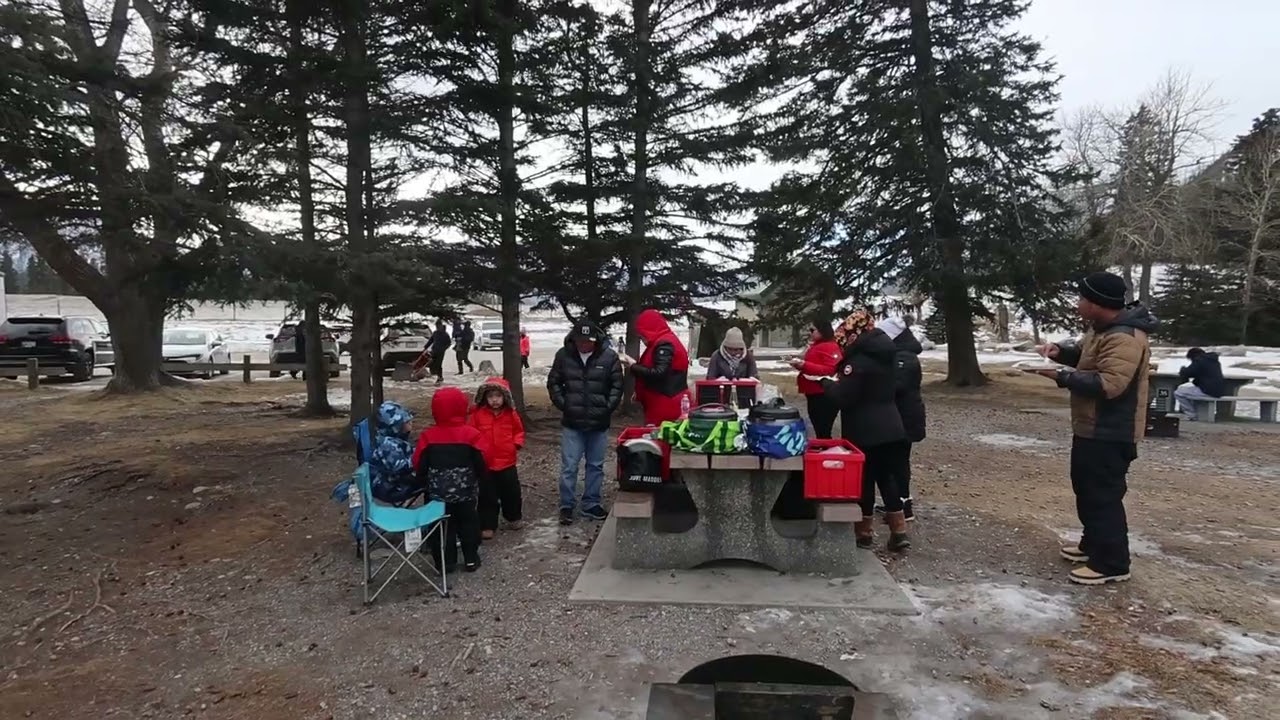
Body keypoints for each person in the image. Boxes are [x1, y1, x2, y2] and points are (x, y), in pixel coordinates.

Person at [1033, 271, 1157, 586]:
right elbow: (1090, 361)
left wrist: (1060, 376)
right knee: (1086, 489)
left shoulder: (1124, 336)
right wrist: (1062, 354)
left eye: (1083, 299)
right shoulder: (1102, 331)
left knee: (1103, 495)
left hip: (1111, 431)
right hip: (1092, 428)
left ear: (1098, 303)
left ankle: (1112, 562)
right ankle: (1093, 544)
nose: (1078, 305)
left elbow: (1109, 384)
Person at [820, 310, 910, 551]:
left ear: (853, 336)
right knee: (888, 477)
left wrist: (826, 384)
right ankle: (899, 532)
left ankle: (864, 533)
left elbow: (844, 397)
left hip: (865, 430)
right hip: (892, 426)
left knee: (865, 482)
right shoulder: (886, 355)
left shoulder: (857, 362)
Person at [547, 320, 624, 525]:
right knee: (569, 466)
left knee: (596, 465)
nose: (584, 345)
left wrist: (607, 407)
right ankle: (567, 505)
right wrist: (565, 404)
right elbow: (553, 382)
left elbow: (617, 386)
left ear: (595, 340)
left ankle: (591, 503)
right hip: (572, 422)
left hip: (599, 422)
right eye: (581, 341)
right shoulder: (563, 356)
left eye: (588, 341)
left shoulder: (609, 357)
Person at [413, 386, 486, 572]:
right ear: (462, 407)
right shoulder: (471, 434)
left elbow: (418, 464)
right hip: (466, 492)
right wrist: (479, 478)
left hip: (437, 494)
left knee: (441, 528)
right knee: (468, 523)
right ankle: (470, 558)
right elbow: (483, 460)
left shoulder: (428, 437)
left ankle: (445, 563)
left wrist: (423, 482)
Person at [879, 316, 926, 522]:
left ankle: (903, 504)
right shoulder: (900, 355)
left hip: (904, 417)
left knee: (898, 461)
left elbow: (897, 386)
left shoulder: (904, 358)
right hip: (900, 415)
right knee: (894, 460)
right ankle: (897, 502)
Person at [469, 377, 525, 539]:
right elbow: (472, 433)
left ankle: (514, 517)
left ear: (505, 397)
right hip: (486, 463)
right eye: (491, 396)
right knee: (487, 496)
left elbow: (519, 431)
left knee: (512, 493)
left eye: (498, 396)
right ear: (485, 398)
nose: (494, 400)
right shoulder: (478, 415)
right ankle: (487, 524)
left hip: (507, 461)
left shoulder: (511, 414)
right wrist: (476, 451)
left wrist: (516, 444)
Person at [626, 309, 691, 425]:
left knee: (660, 437)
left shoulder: (664, 344)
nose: (643, 340)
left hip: (665, 403)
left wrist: (633, 366)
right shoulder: (663, 341)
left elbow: (659, 373)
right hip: (664, 400)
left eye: (642, 336)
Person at [788, 320, 843, 439]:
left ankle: (826, 452)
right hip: (814, 392)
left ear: (823, 331)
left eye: (813, 330)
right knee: (819, 428)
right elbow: (813, 366)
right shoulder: (817, 345)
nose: (810, 333)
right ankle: (823, 450)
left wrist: (804, 365)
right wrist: (800, 365)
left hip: (823, 394)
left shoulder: (830, 346)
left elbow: (830, 369)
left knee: (823, 429)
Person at [1174, 347, 1225, 421]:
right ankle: (1193, 413)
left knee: (1178, 393)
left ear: (1192, 356)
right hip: (1218, 390)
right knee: (1188, 390)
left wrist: (1183, 369)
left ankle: (1191, 414)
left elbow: (1189, 372)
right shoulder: (1213, 361)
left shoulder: (1199, 361)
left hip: (1208, 391)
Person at [428, 319, 451, 386]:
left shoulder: (445, 334)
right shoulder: (435, 333)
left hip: (441, 352)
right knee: (432, 363)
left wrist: (444, 348)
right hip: (434, 350)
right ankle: (433, 374)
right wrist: (425, 347)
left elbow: (449, 343)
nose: (437, 327)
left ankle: (440, 376)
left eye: (439, 326)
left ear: (441, 326)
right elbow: (431, 341)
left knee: (438, 364)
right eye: (436, 326)